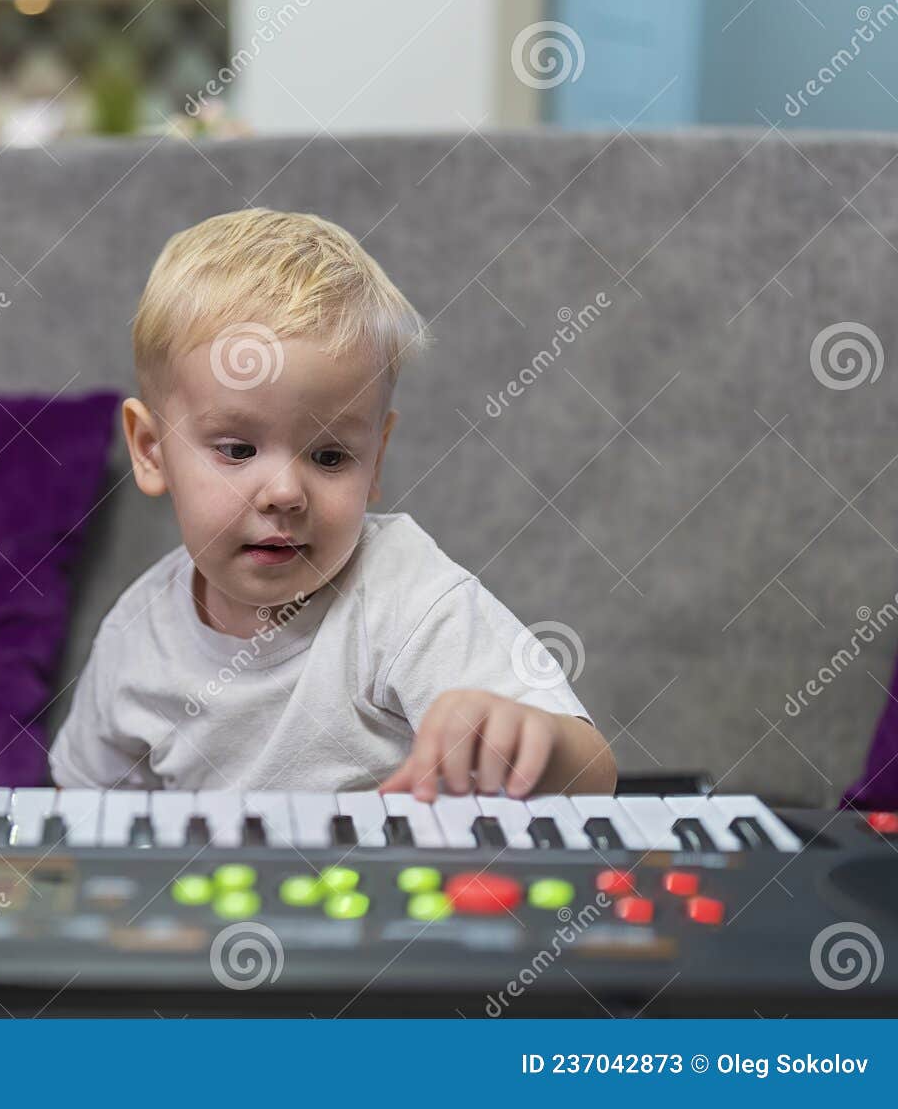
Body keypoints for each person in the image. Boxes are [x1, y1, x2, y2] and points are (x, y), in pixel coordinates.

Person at [50, 208, 616, 800]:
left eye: (330, 456)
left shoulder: (405, 597)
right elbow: (80, 807)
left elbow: (594, 775)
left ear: (376, 459)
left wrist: (538, 743)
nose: (285, 493)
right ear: (151, 450)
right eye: (238, 450)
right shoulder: (137, 634)